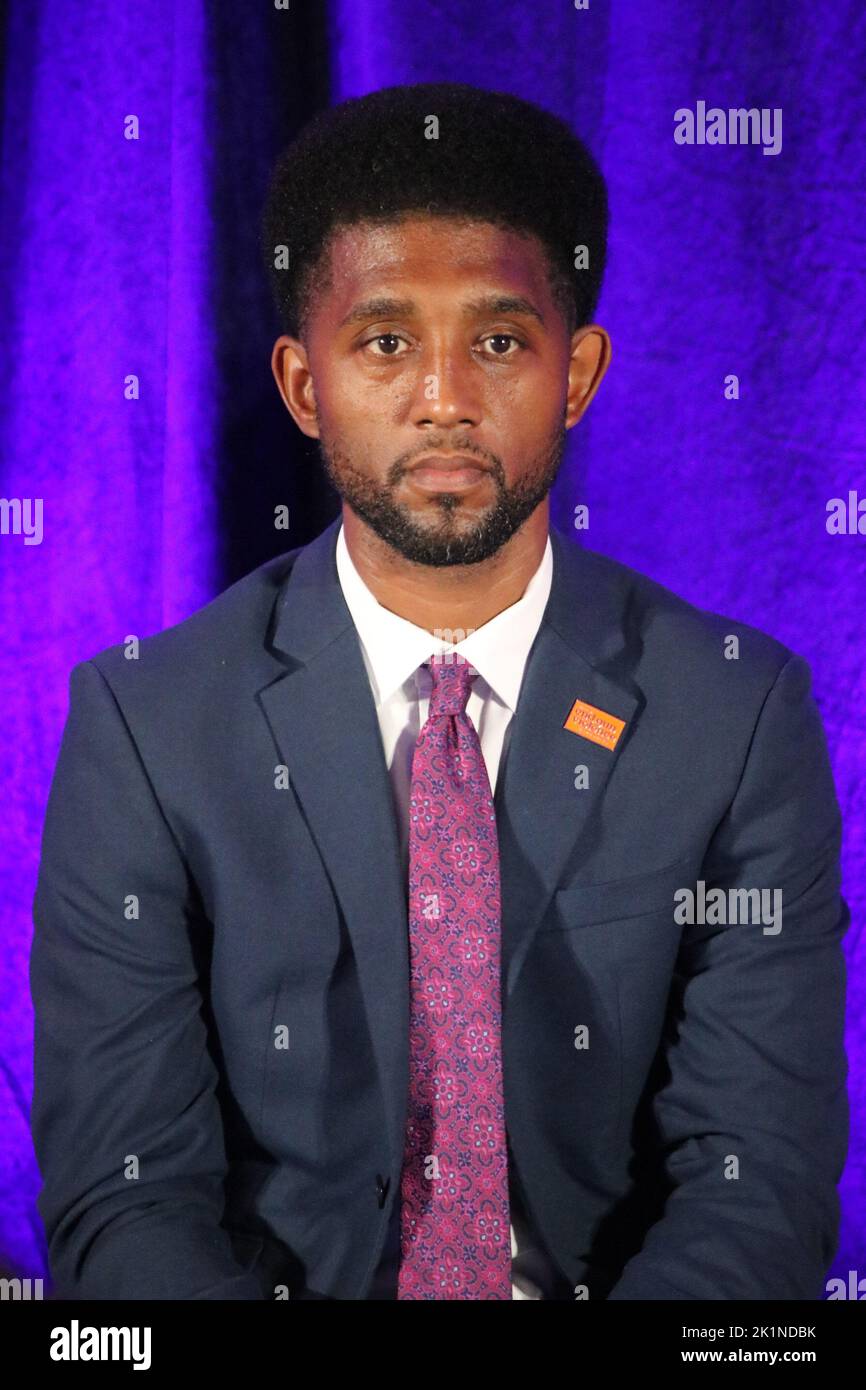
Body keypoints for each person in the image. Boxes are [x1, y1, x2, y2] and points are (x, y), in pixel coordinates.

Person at [30, 81, 848, 1301]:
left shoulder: (735, 716)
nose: (445, 397)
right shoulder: (146, 727)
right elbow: (126, 1197)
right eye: (384, 341)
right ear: (306, 388)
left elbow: (755, 1181)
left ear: (575, 374)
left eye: (500, 341)